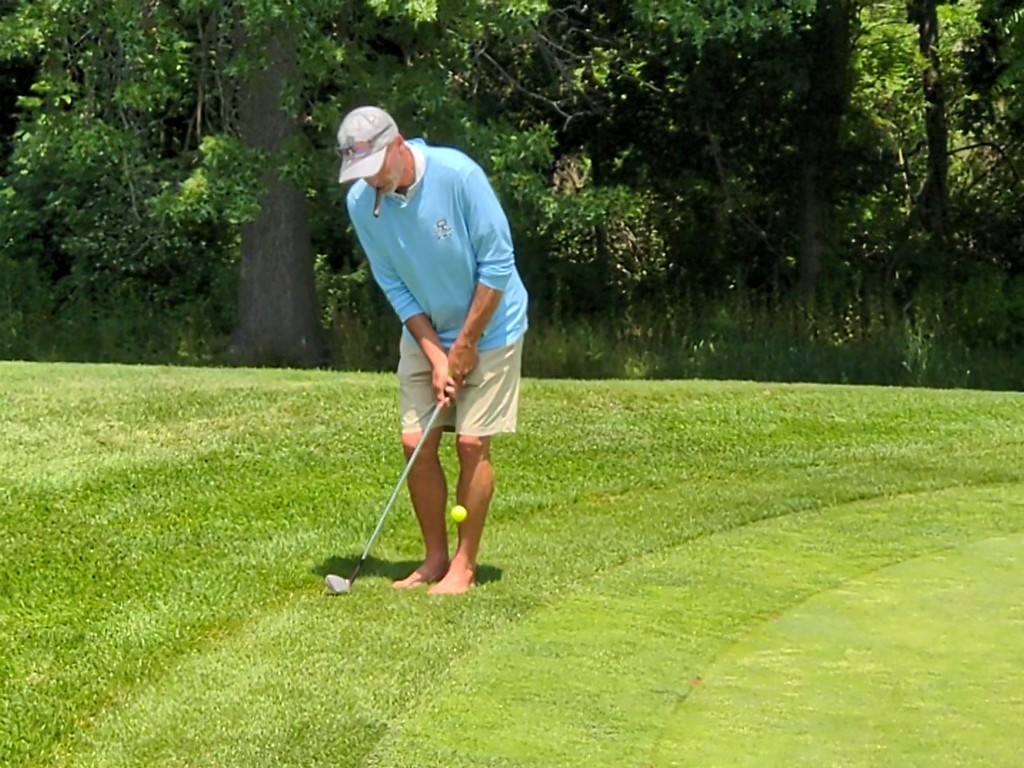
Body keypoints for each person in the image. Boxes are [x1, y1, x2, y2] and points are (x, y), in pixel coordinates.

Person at [336, 105, 529, 595]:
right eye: (360, 173)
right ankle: (434, 558)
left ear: (398, 144)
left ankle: (464, 565)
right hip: (426, 328)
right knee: (414, 443)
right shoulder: (362, 202)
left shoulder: (458, 175)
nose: (370, 182)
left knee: (470, 443)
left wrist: (464, 346)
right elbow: (395, 286)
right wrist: (438, 354)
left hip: (493, 325)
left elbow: (499, 265)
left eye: (375, 167)